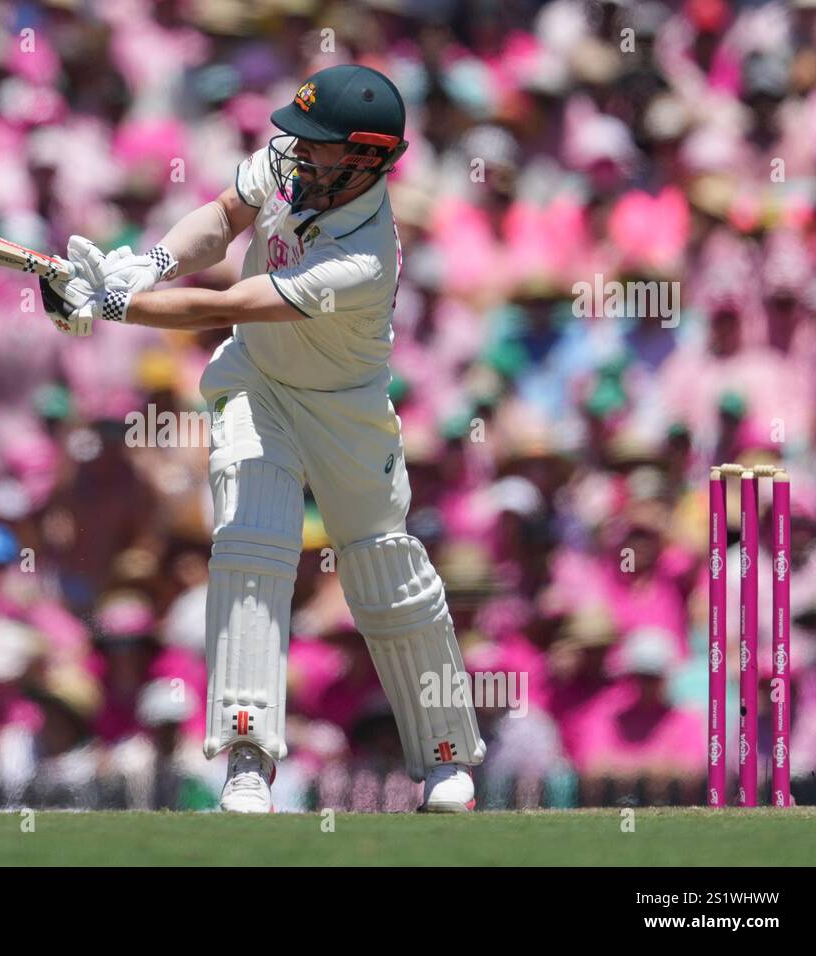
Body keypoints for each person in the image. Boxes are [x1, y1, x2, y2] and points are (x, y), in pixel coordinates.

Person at [40, 64, 484, 812]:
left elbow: (245, 298)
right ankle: (247, 758)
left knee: (385, 573)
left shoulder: (365, 256)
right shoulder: (287, 163)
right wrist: (149, 263)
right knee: (252, 538)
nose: (300, 155)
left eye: (321, 148)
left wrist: (124, 306)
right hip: (255, 382)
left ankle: (445, 757)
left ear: (369, 157)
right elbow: (220, 219)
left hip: (344, 408)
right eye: (300, 141)